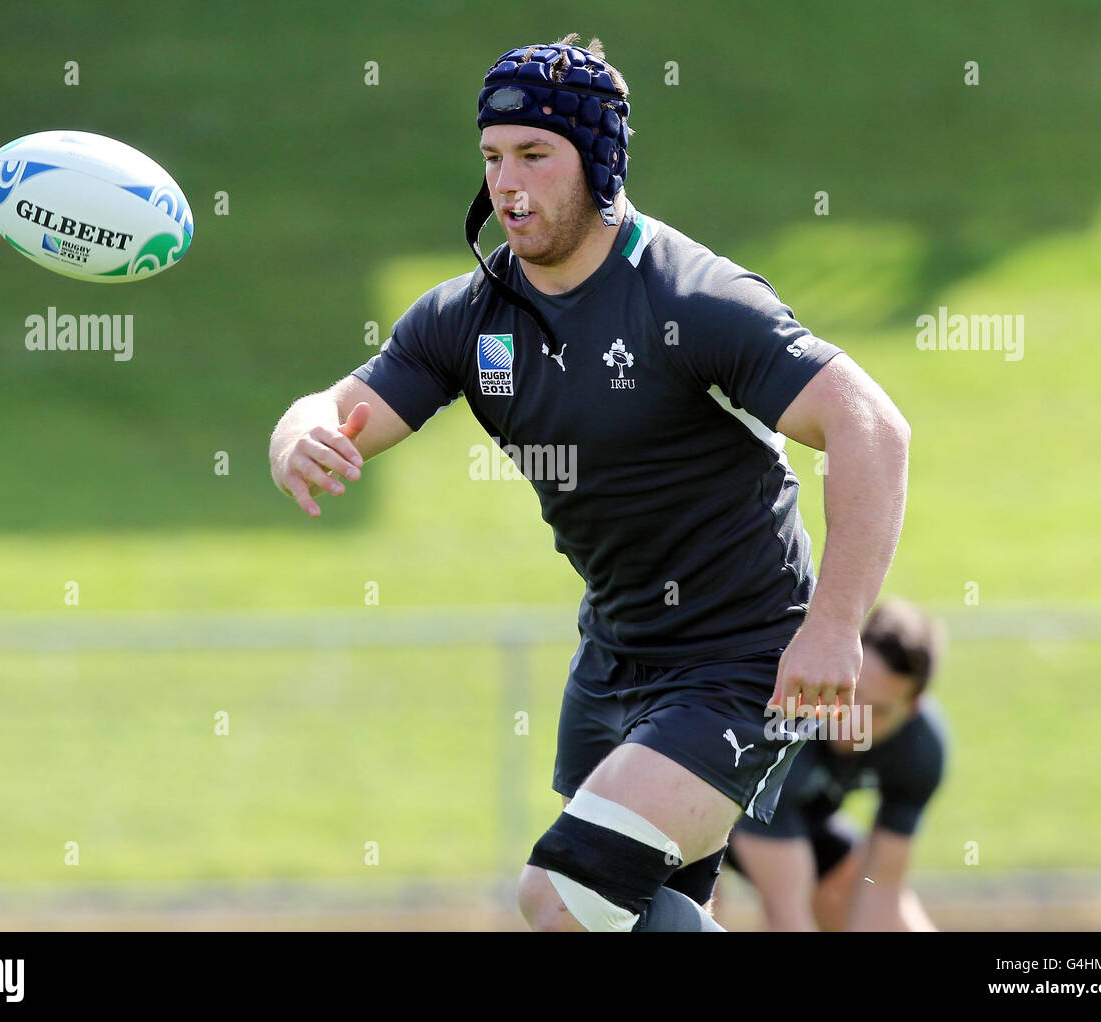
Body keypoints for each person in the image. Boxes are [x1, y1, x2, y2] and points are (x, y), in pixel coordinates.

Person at [268, 34, 911, 931]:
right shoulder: (470, 318)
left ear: (600, 160)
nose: (507, 181)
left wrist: (835, 625)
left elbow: (871, 426)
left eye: (535, 153)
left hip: (740, 661)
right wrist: (298, 436)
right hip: (611, 659)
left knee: (561, 896)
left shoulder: (692, 298)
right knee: (629, 919)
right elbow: (337, 409)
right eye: (493, 156)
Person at [726, 599, 947, 931]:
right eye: (853, 695)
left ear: (912, 707)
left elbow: (883, 892)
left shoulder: (920, 747)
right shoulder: (788, 724)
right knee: (691, 908)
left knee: (876, 903)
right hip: (720, 816)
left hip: (805, 821)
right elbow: (786, 917)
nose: (853, 721)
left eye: (880, 711)